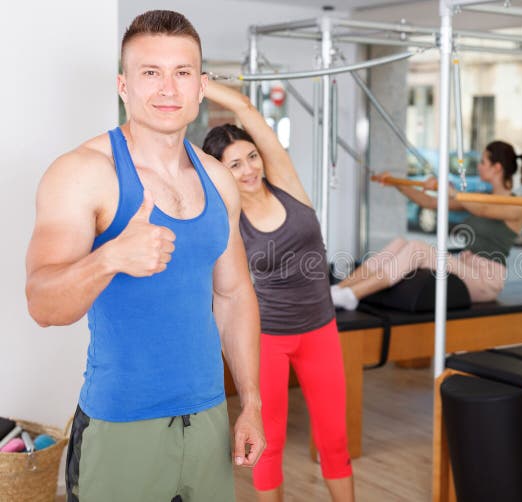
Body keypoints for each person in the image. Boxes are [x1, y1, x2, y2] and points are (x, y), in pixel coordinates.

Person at [25, 11, 265, 501]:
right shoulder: (83, 173)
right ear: (123, 85)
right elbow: (42, 306)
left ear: (201, 86)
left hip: (208, 417)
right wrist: (110, 257)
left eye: (182, 73)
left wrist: (253, 402)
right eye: (150, 72)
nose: (167, 89)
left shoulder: (220, 179)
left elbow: (234, 294)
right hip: (121, 423)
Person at [202, 81, 354, 502]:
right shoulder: (228, 223)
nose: (249, 169)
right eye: (235, 165)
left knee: (335, 443)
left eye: (252, 157)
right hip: (266, 339)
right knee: (267, 446)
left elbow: (249, 110)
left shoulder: (286, 184)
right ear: (220, 173)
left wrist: (202, 84)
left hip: (320, 330)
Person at [331, 141, 522, 310]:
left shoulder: (518, 205)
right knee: (399, 243)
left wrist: (451, 191)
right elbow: (429, 202)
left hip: (486, 280)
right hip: (466, 267)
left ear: (497, 168)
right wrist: (397, 183)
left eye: (483, 162)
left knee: (418, 249)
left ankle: (352, 295)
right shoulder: (478, 198)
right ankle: (339, 290)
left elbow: (483, 210)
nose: (479, 166)